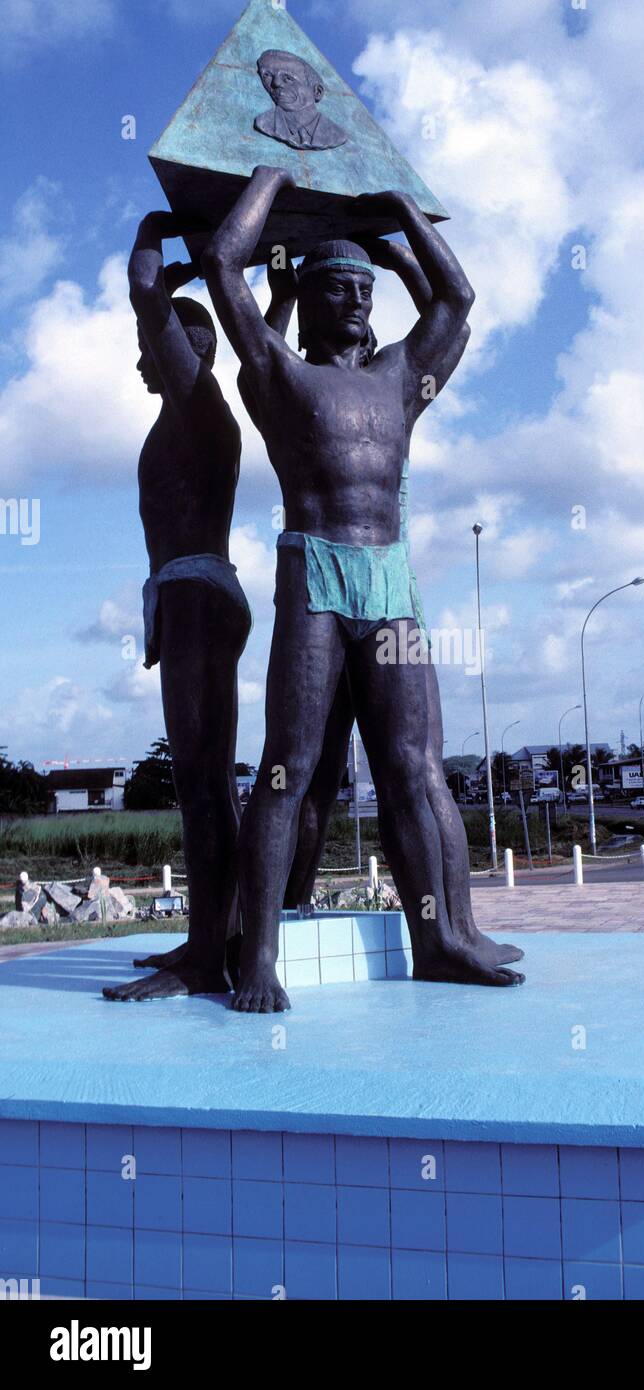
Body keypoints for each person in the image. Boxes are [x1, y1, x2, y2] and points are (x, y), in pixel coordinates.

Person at [202, 168, 524, 1012]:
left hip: (390, 581)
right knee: (289, 768)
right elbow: (224, 266)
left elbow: (455, 298)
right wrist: (272, 175)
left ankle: (446, 937)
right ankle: (260, 955)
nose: (352, 299)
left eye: (362, 288)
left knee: (415, 768)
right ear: (305, 299)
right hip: (315, 573)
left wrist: (395, 218)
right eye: (334, 287)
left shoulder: (399, 381)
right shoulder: (274, 373)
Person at [103, 212, 251, 1004]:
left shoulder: (200, 406)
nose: (137, 361)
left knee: (200, 782)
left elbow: (142, 289)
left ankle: (206, 955)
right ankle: (212, 939)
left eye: (151, 345)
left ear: (196, 350)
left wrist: (158, 225)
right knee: (201, 780)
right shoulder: (188, 413)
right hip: (189, 602)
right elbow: (156, 306)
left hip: (197, 599)